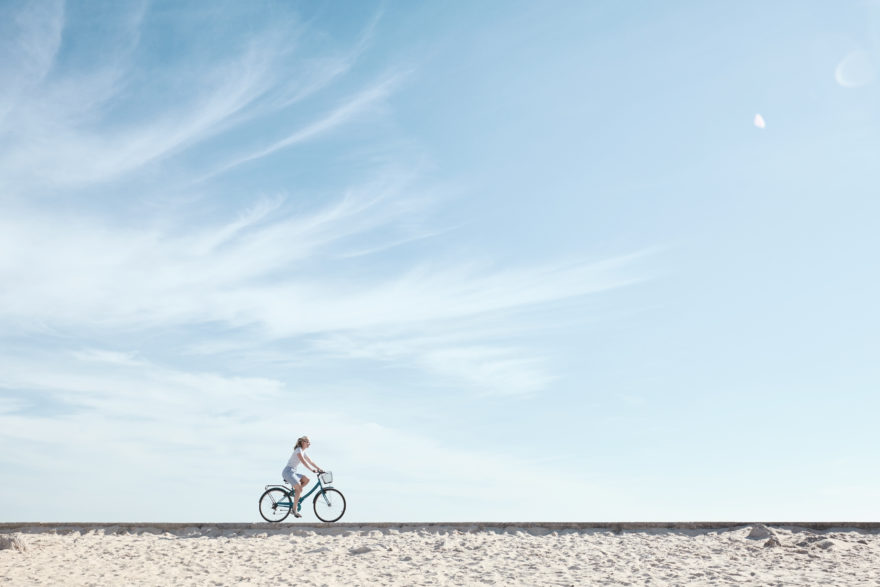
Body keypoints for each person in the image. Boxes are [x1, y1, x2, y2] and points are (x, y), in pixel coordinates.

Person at [282, 436, 323, 518]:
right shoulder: (298, 450)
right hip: (288, 472)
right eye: (308, 442)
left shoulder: (303, 452)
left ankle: (295, 492)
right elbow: (303, 462)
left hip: (293, 472)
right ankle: (294, 510)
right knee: (299, 489)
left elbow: (310, 461)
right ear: (303, 442)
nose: (309, 444)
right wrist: (312, 470)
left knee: (306, 480)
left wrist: (319, 469)